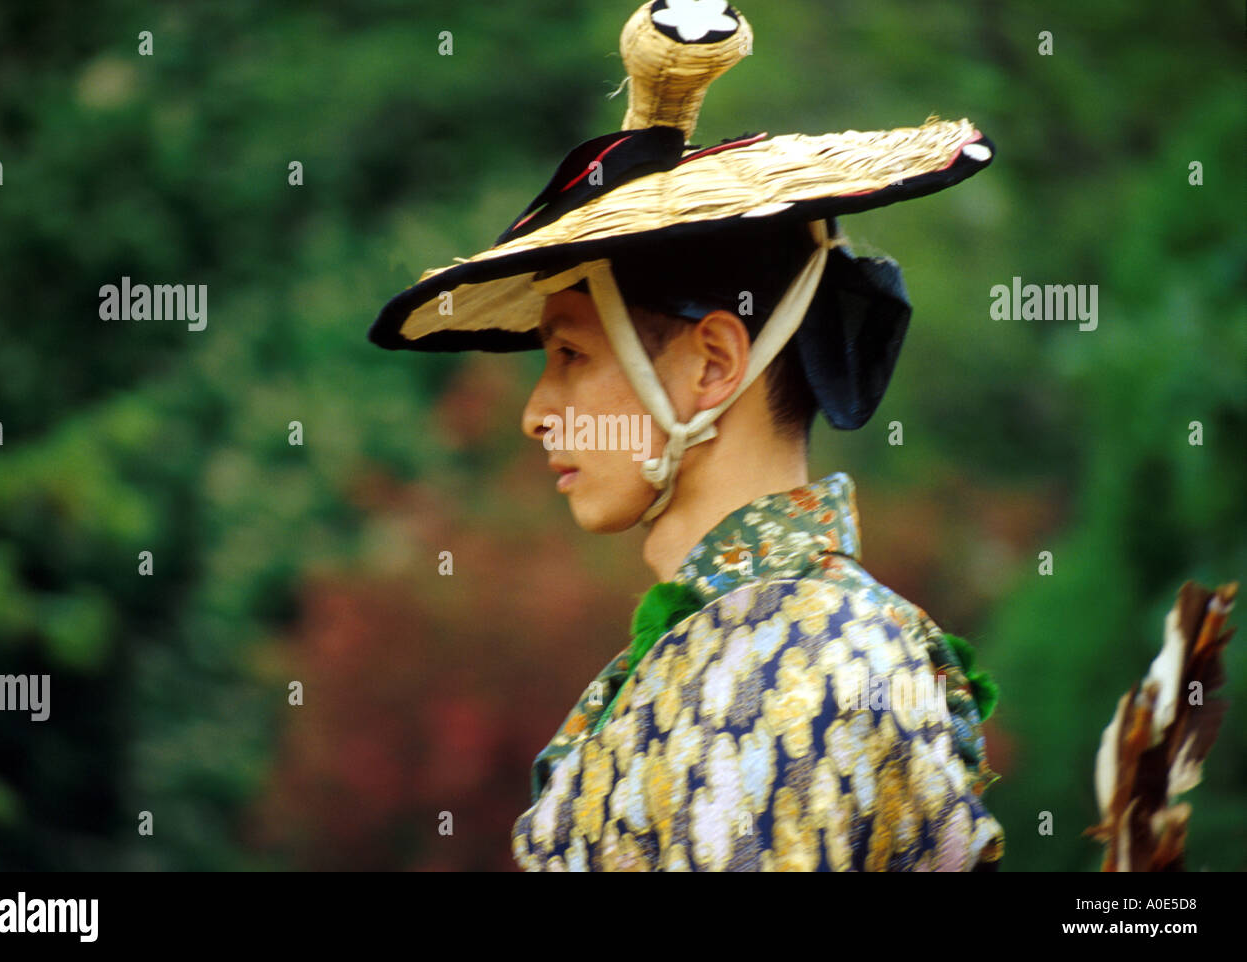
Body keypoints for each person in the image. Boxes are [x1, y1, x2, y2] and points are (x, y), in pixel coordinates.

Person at [368, 0, 1003, 870]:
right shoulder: (754, 643)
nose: (535, 410)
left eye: (569, 354)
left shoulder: (800, 673)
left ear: (711, 365)